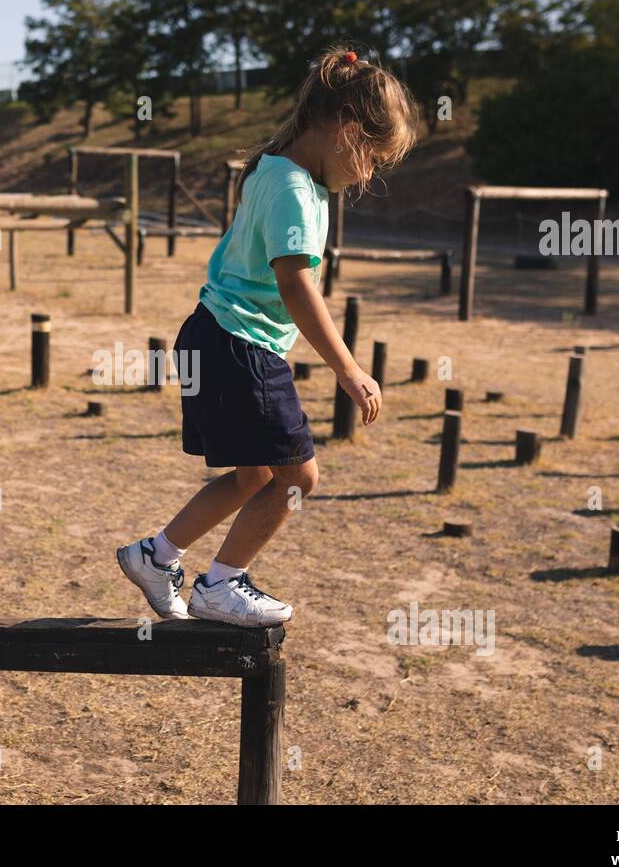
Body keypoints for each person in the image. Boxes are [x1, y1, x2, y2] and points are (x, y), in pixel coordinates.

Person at [116, 45, 419, 627]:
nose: (370, 173)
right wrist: (349, 368)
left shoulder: (277, 170)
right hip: (239, 343)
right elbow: (295, 284)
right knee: (299, 475)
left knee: (256, 473)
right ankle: (220, 586)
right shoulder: (293, 188)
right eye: (374, 158)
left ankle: (156, 557)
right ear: (347, 130)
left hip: (213, 336)